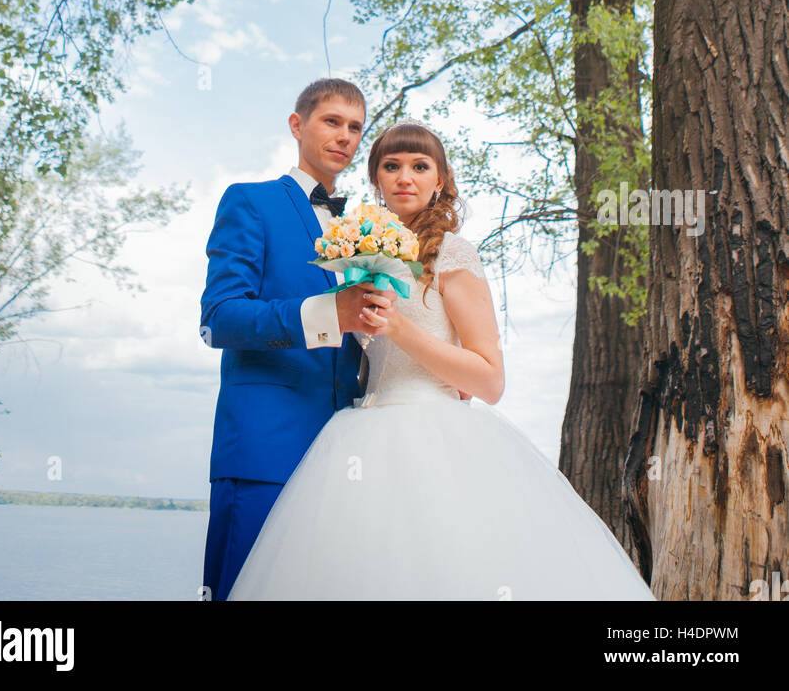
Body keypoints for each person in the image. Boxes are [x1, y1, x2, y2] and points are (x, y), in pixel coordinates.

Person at [227, 120, 657, 601]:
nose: (404, 177)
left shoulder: (455, 256)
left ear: (440, 181)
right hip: (357, 434)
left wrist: (401, 328)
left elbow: (490, 380)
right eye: (391, 166)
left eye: (419, 166)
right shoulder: (359, 257)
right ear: (376, 181)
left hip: (435, 435)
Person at [199, 78, 397, 601]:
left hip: (344, 458)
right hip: (266, 451)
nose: (346, 137)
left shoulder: (364, 230)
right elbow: (219, 318)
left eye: (356, 128)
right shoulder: (249, 202)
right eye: (332, 121)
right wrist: (328, 312)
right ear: (297, 125)